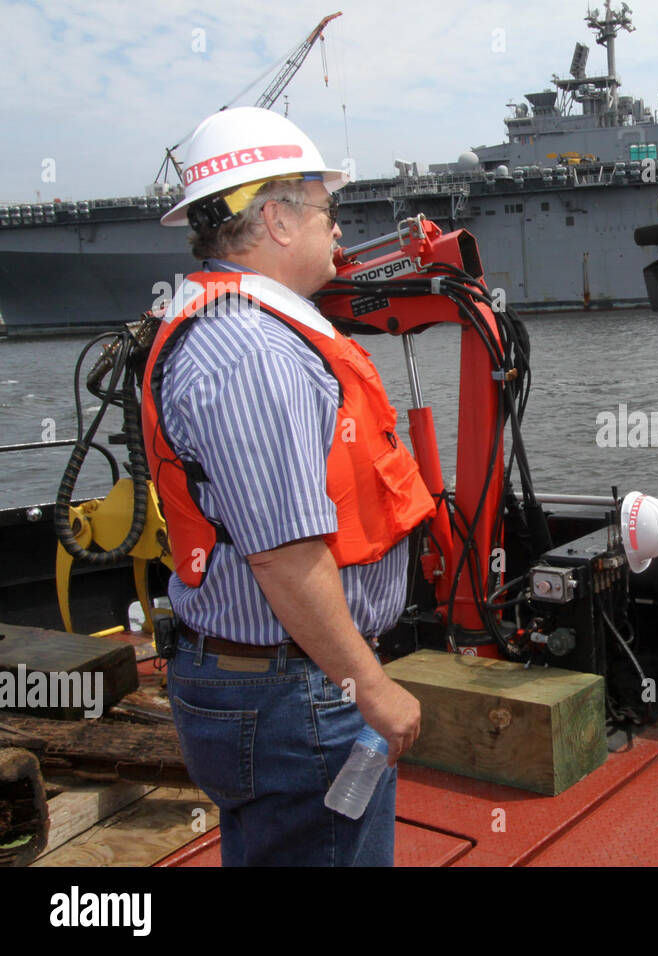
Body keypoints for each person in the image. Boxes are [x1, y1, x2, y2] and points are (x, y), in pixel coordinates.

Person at [140, 107, 437, 866]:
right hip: (296, 694)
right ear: (276, 218)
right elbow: (285, 555)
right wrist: (370, 685)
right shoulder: (252, 352)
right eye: (328, 212)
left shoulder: (244, 329)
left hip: (279, 682)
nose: (340, 232)